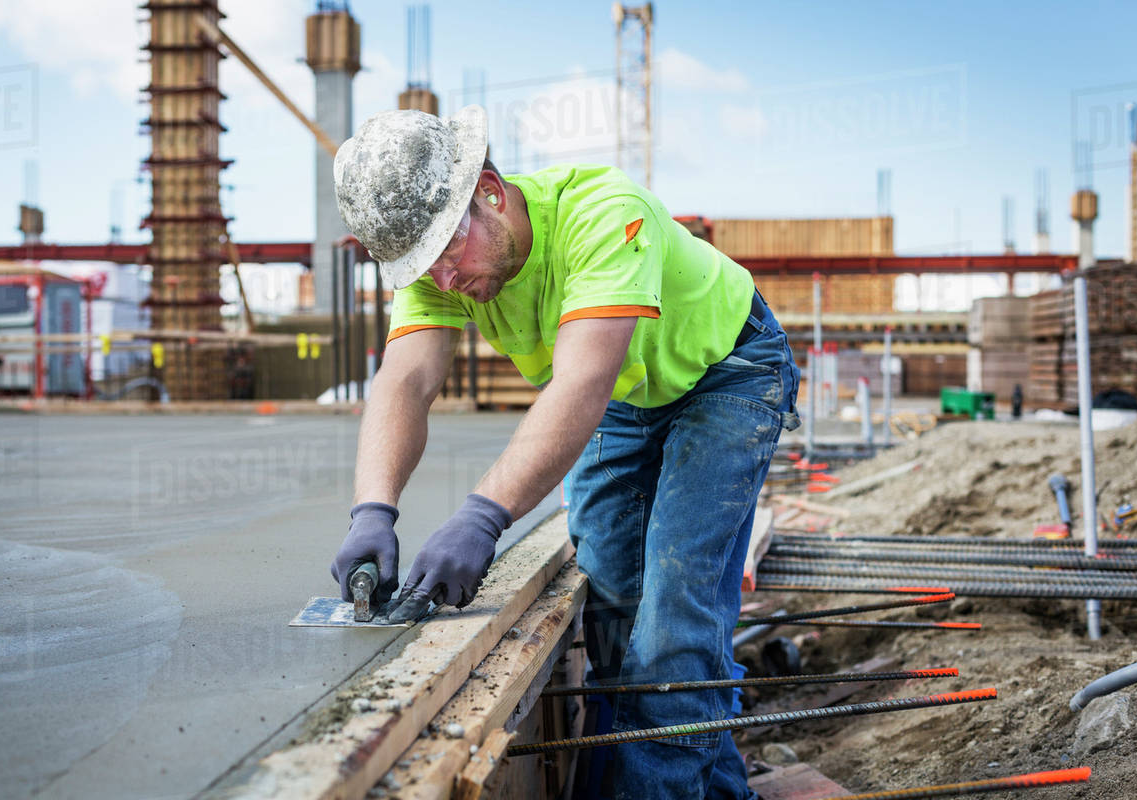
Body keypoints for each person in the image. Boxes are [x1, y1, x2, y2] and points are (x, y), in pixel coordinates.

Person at [328, 105, 799, 800]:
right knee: (611, 605)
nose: (447, 282)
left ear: (487, 192)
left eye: (449, 254)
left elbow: (581, 383)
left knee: (673, 623)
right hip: (628, 392)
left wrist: (484, 516)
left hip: (726, 372)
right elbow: (406, 380)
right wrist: (373, 508)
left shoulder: (604, 213)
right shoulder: (440, 267)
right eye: (425, 269)